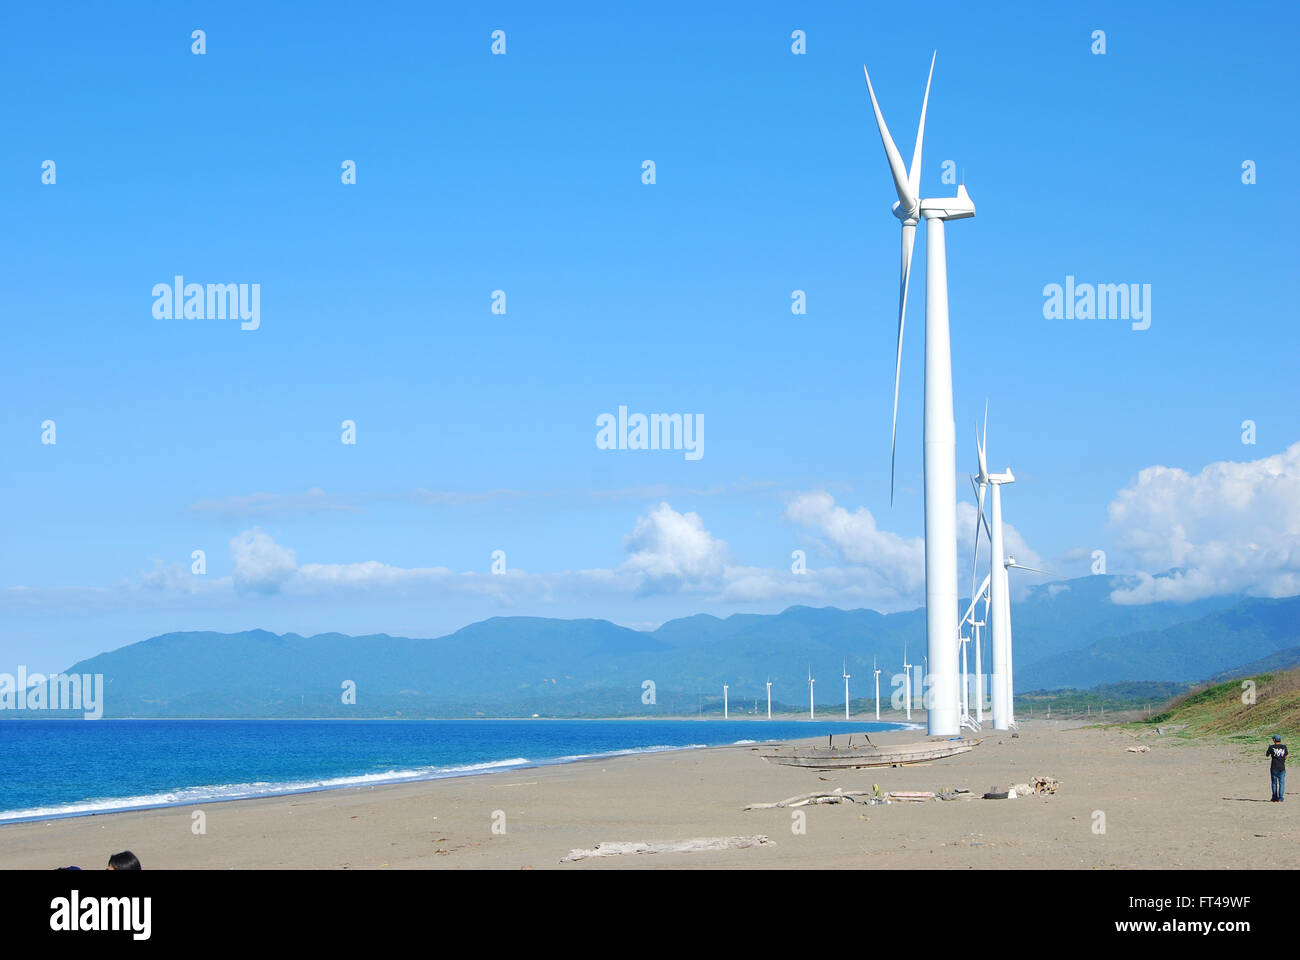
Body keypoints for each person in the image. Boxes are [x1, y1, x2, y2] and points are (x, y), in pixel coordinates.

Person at [1267, 735, 1288, 802]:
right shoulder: (1284, 747)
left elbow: (1267, 755)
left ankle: (1274, 797)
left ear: (1274, 740)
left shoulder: (1271, 747)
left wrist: (1269, 749)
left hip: (1274, 767)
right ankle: (1280, 798)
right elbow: (1286, 756)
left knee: (1274, 783)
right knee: (1281, 783)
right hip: (1282, 767)